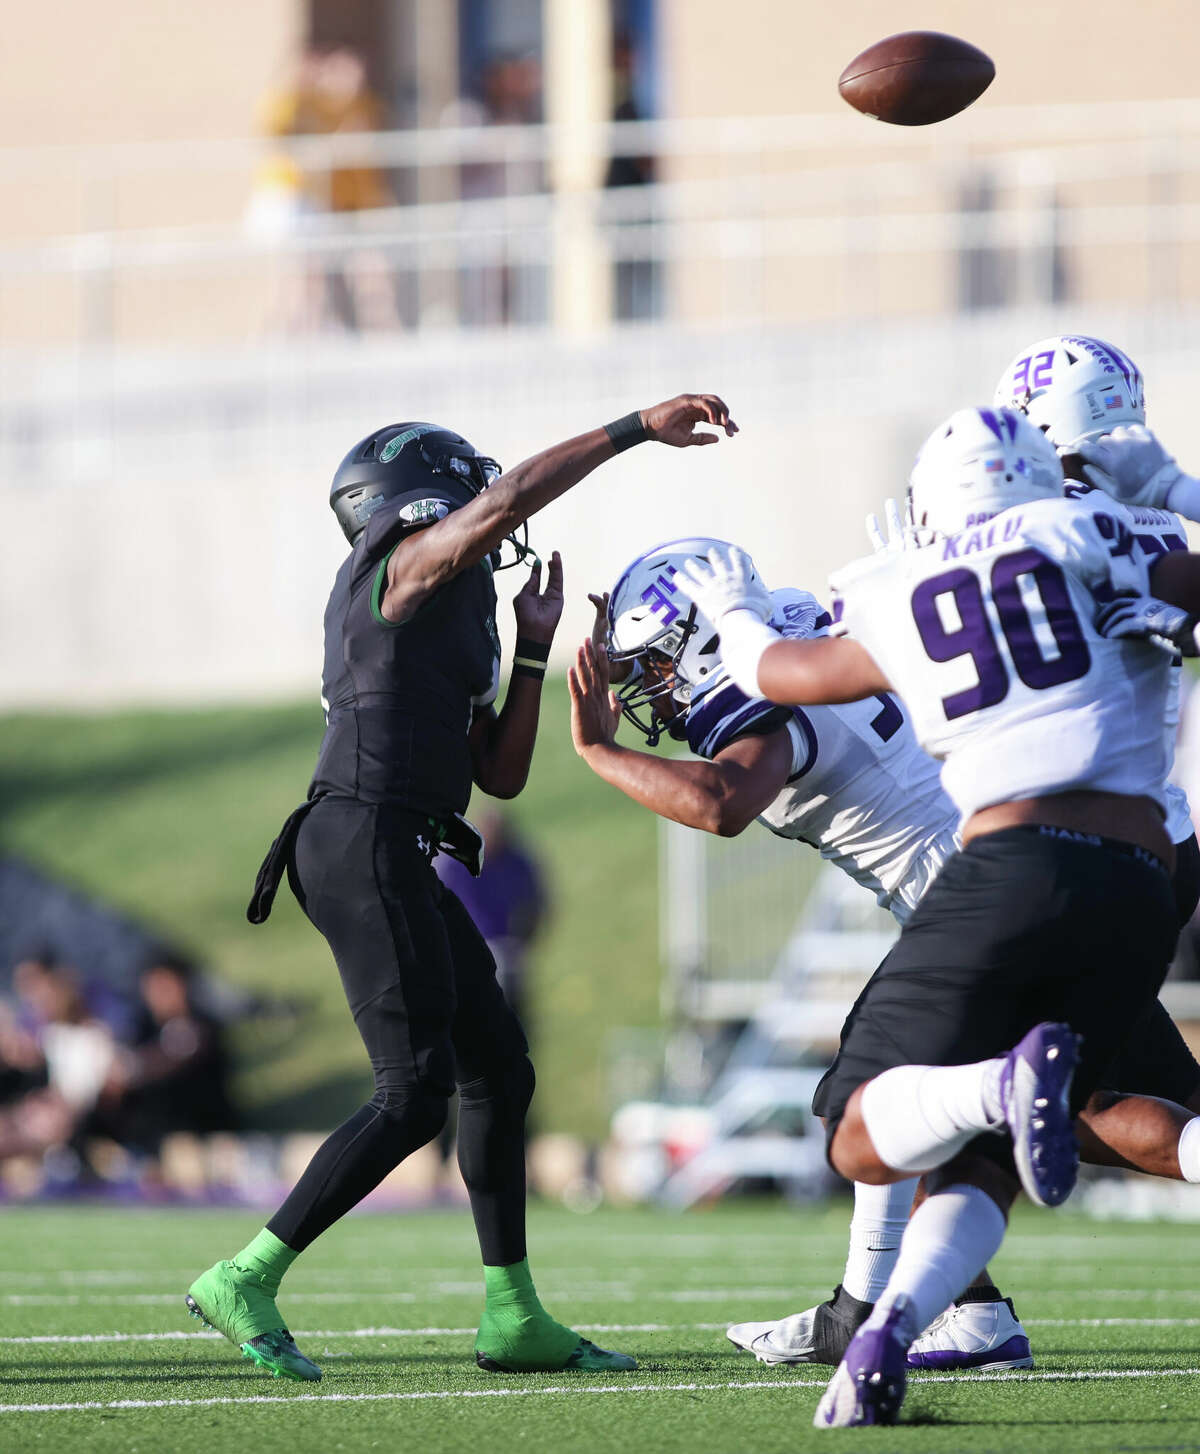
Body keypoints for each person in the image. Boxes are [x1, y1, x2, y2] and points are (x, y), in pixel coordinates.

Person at [182, 393, 737, 1382]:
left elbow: (501, 772)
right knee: (413, 1093)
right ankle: (247, 1271)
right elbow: (516, 491)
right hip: (360, 833)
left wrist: (533, 650)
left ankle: (513, 1313)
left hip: (403, 840)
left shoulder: (452, 610)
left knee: (498, 1066)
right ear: (415, 507)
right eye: (468, 507)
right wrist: (635, 429)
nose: (493, 526)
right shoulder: (398, 570)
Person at [672, 405, 1200, 1426]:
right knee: (998, 1151)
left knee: (859, 1130)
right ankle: (890, 1328)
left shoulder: (901, 582)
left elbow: (783, 673)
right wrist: (1173, 497)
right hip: (1142, 883)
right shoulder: (1117, 536)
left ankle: (1002, 1083)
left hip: (1011, 862)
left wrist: (738, 613)